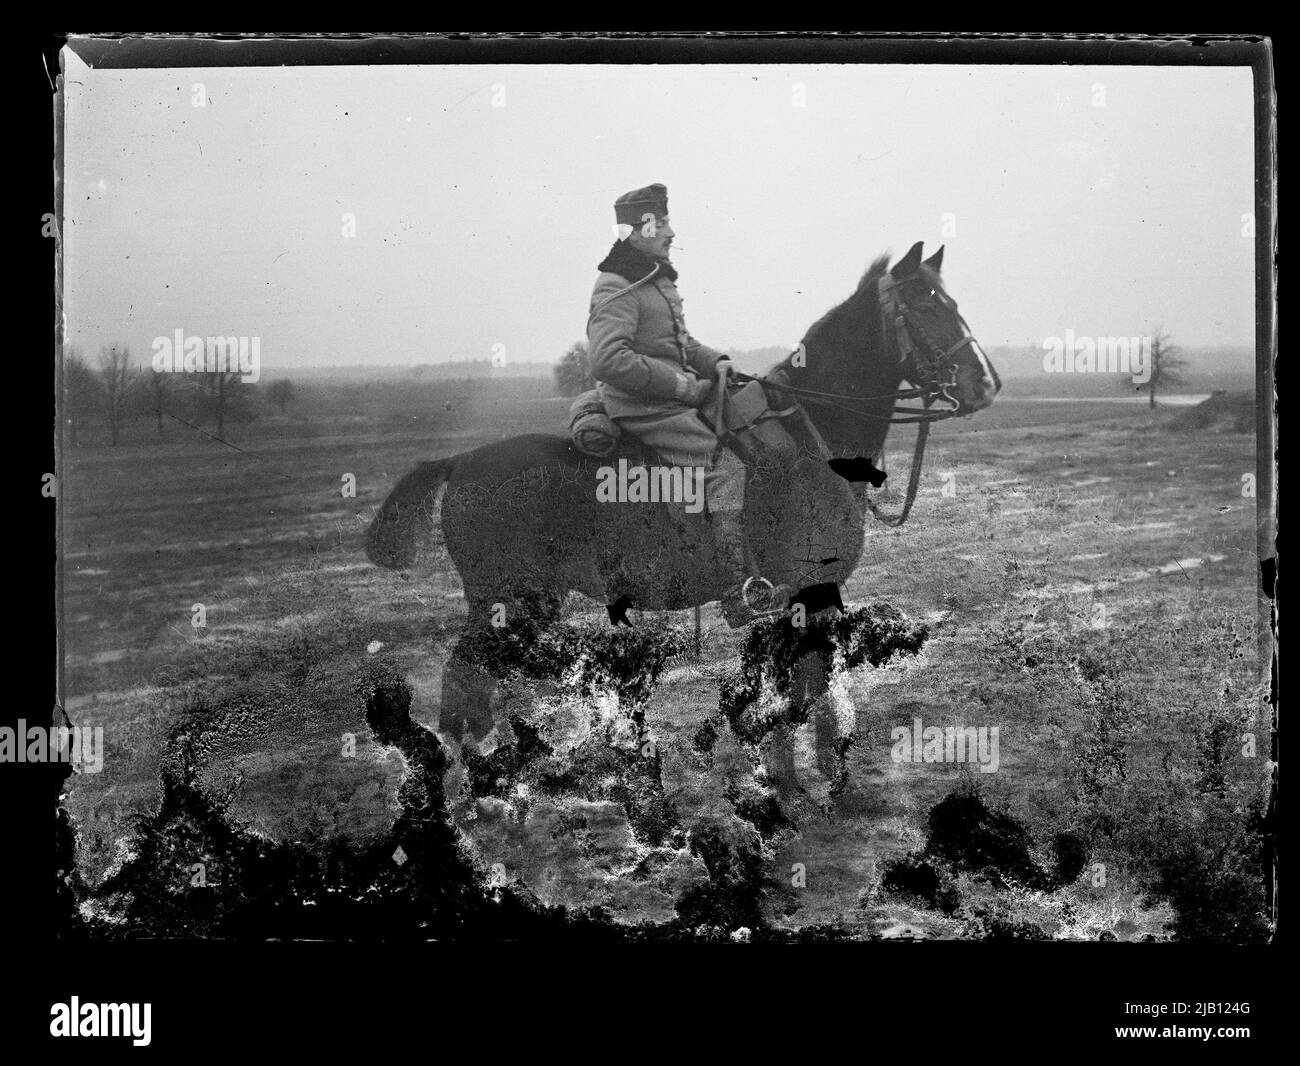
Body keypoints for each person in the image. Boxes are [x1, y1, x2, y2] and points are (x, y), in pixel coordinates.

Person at [586, 182, 786, 626]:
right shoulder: (616, 285)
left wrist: (716, 361)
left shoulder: (652, 279)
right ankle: (739, 593)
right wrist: (682, 387)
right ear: (638, 230)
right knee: (725, 468)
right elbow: (607, 359)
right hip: (644, 407)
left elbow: (678, 343)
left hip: (666, 400)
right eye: (664, 224)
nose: (672, 233)